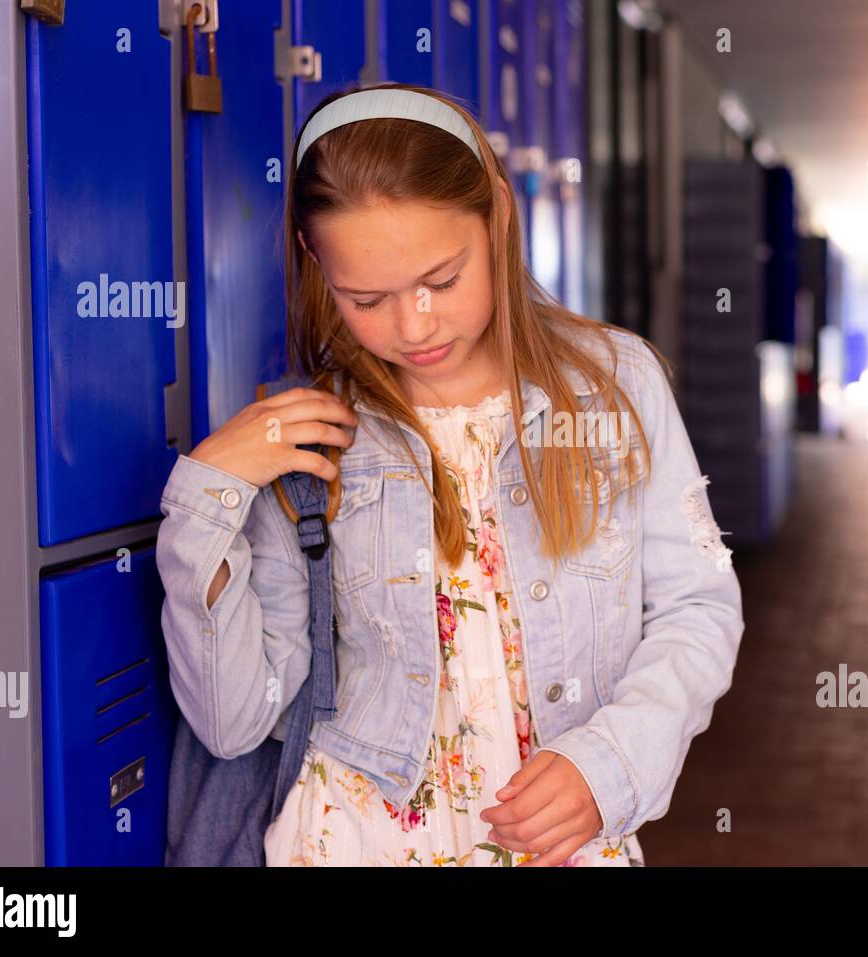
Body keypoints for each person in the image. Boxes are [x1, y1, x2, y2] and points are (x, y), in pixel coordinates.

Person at [154, 83, 743, 866]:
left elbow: (697, 607)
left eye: (442, 278)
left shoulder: (617, 385)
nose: (414, 323)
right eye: (366, 297)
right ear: (313, 259)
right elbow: (234, 721)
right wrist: (208, 491)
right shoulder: (307, 436)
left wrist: (610, 762)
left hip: (562, 840)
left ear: (497, 214)